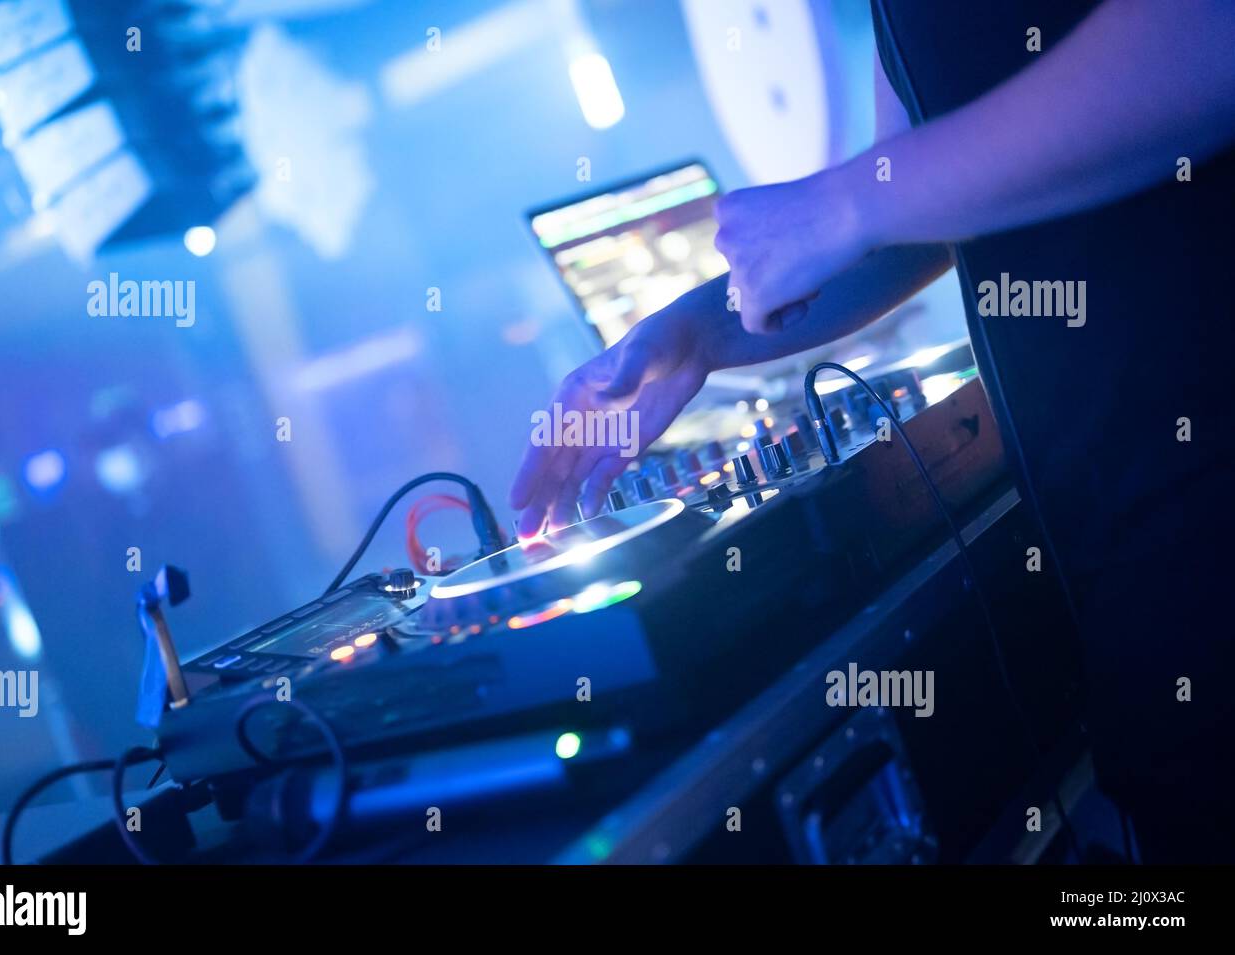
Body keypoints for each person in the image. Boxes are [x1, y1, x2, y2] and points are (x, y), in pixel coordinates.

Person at [510, 0, 1235, 863]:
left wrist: (841, 202)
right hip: (1127, 540)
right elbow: (924, 203)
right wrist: (701, 329)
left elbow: (1207, 37)